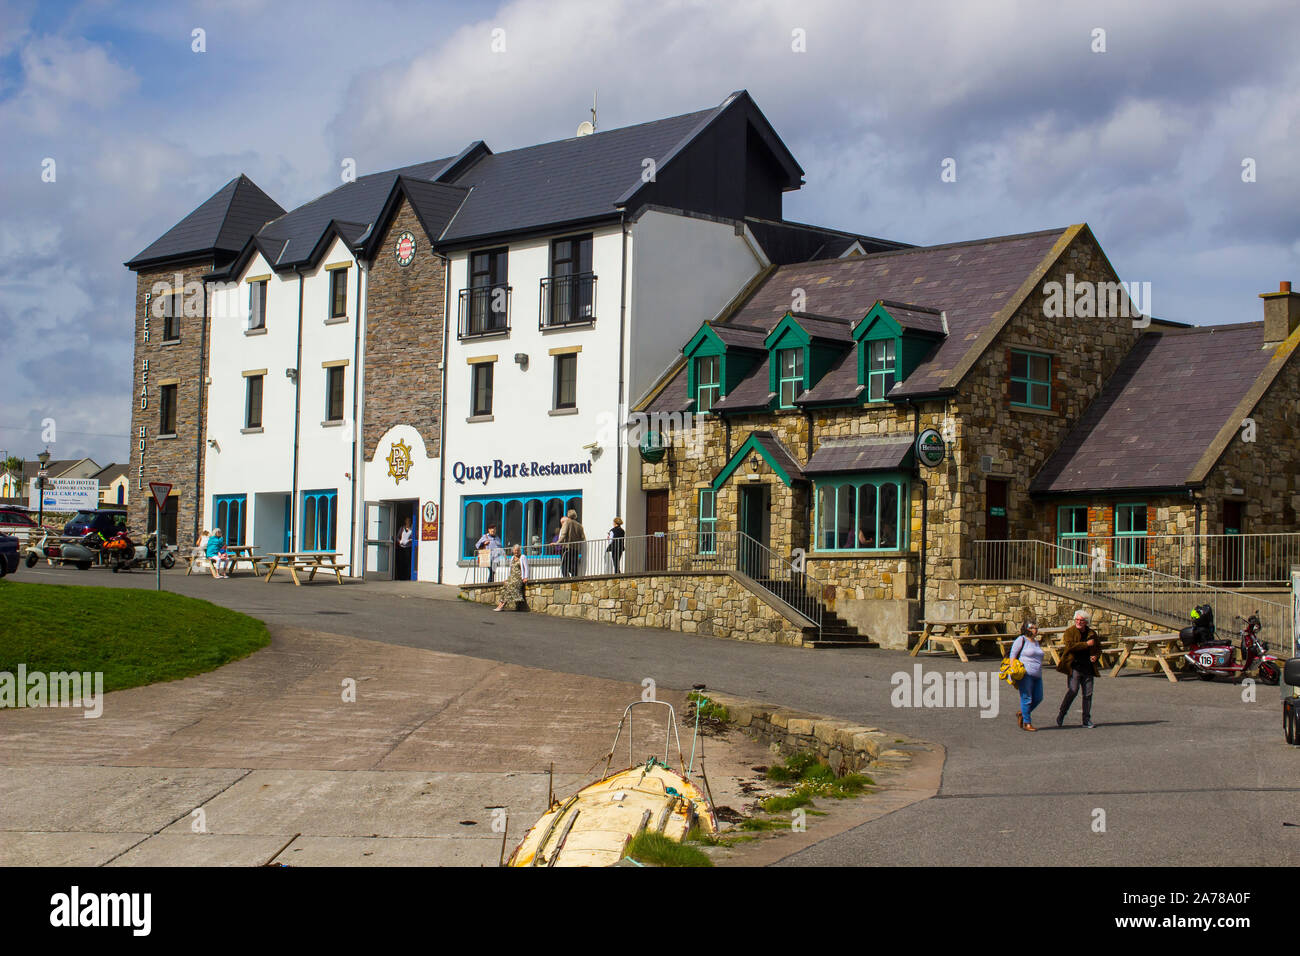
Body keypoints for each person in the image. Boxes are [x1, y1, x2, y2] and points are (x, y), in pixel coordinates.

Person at [1056, 608, 1101, 728]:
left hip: (1088, 668)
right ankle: (1062, 714)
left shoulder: (1092, 633)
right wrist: (1086, 644)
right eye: (1077, 620)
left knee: (1088, 694)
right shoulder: (1069, 632)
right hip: (1074, 666)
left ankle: (1086, 720)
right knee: (1073, 691)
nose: (1078, 622)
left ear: (1086, 622)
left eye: (1081, 620)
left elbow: (1098, 648)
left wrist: (1095, 656)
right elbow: (1070, 646)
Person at [1009, 621, 1045, 731]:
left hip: (1037, 674)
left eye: (1036, 628)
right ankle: (1027, 723)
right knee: (1026, 698)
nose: (1035, 630)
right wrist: (1013, 670)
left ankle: (1022, 713)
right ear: (1027, 629)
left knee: (1038, 697)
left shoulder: (1036, 642)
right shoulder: (1021, 640)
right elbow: (1013, 656)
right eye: (1033, 628)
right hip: (1025, 674)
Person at [494, 544, 528, 611]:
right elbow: (511, 569)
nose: (516, 552)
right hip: (512, 577)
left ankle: (502, 604)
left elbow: (526, 568)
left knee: (510, 585)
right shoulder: (512, 558)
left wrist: (526, 577)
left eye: (518, 550)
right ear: (513, 551)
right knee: (506, 586)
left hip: (519, 578)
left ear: (520, 551)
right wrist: (508, 578)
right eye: (515, 550)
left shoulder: (523, 557)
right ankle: (501, 604)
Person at [558, 509, 585, 577]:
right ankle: (574, 579)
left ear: (568, 515)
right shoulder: (579, 525)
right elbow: (582, 538)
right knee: (574, 565)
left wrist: (557, 543)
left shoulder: (567, 522)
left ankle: (566, 579)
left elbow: (563, 534)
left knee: (564, 565)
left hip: (567, 547)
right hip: (575, 548)